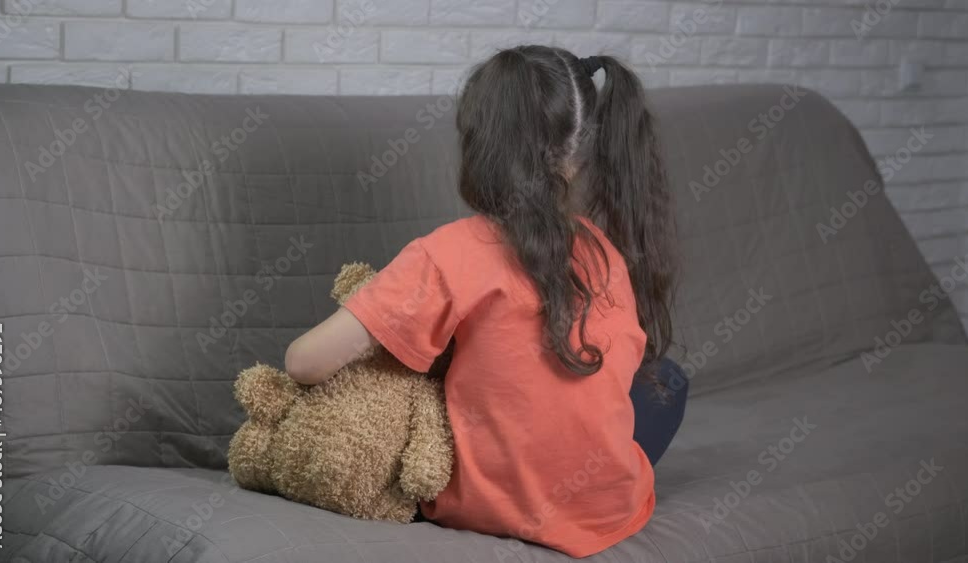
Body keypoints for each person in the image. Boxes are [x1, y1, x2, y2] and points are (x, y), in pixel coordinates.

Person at [284, 45, 685, 558]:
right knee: (669, 382)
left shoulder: (445, 254)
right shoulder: (603, 252)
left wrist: (382, 314)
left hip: (481, 507)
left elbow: (304, 362)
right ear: (582, 150)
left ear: (480, 144)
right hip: (606, 510)